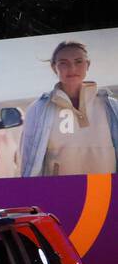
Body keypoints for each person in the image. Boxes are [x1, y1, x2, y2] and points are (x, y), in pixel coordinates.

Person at [20, 40, 118, 177]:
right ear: (54, 68)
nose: (72, 68)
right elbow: (28, 165)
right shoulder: (38, 110)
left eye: (78, 61)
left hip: (105, 192)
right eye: (63, 63)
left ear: (87, 65)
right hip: (60, 194)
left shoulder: (112, 107)